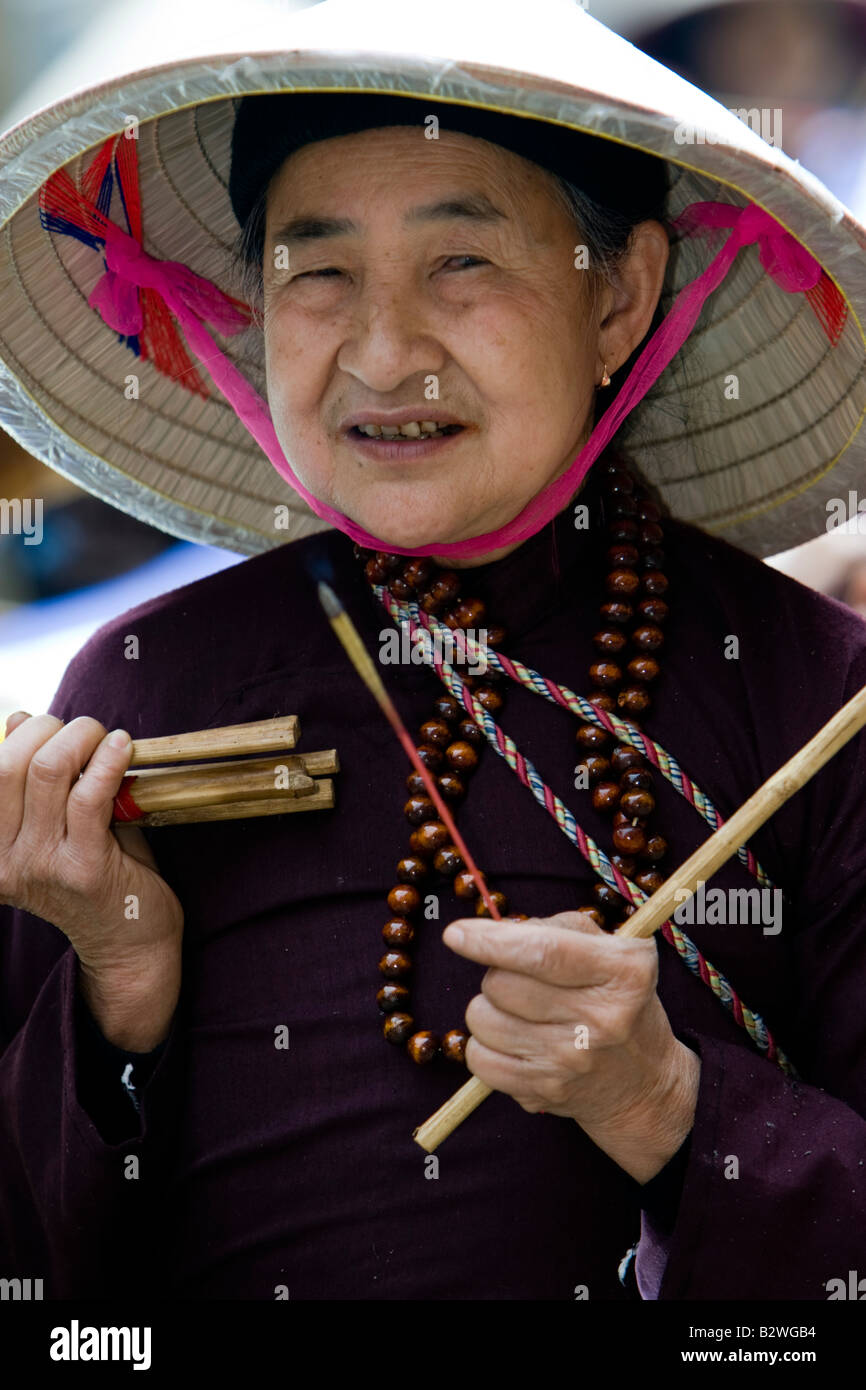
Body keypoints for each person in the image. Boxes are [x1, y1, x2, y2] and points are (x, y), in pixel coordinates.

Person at [0, 0, 865, 1301]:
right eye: (319, 271)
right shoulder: (142, 697)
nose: (383, 350)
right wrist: (118, 997)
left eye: (460, 263)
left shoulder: (812, 693)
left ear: (619, 294)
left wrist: (671, 1104)